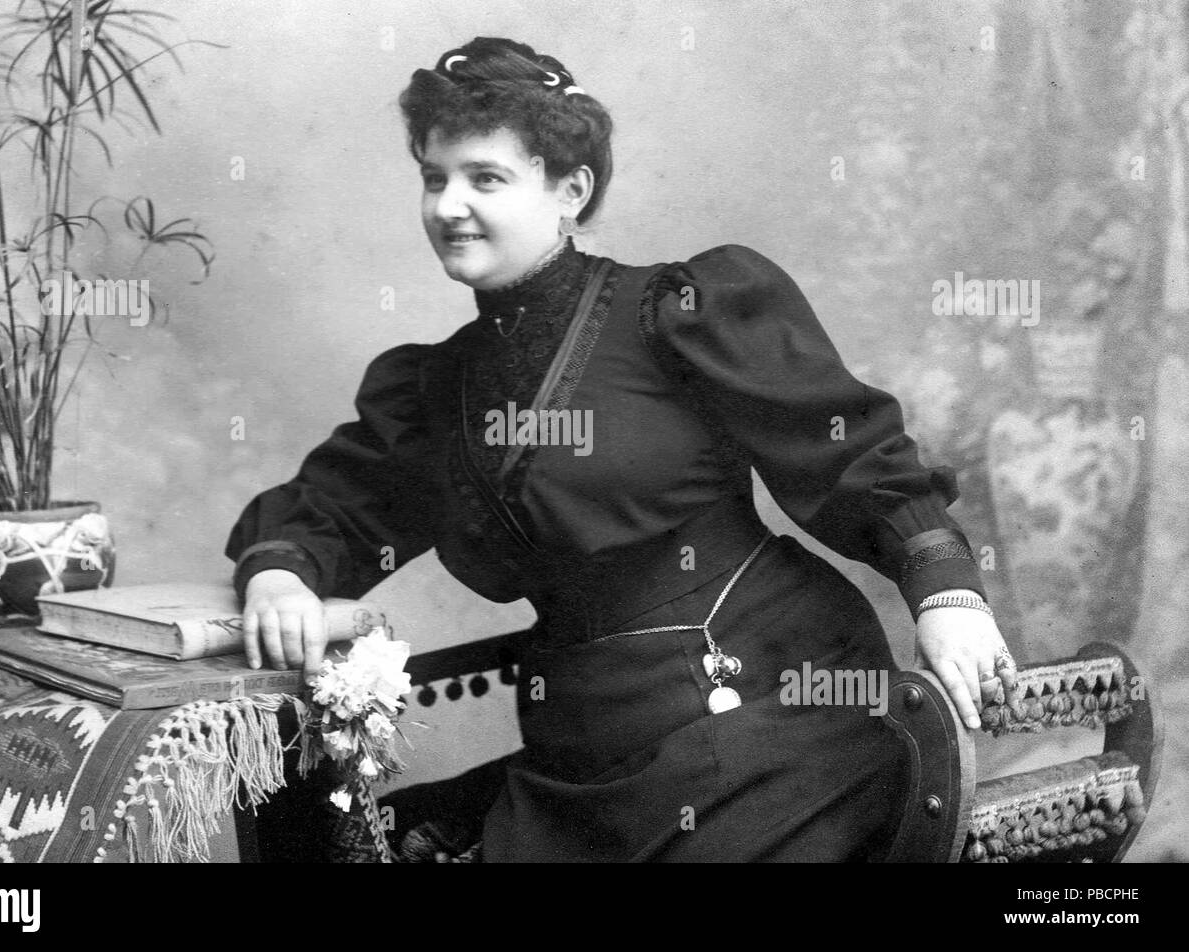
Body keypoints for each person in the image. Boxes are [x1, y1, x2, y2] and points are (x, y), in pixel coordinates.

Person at [225, 36, 1018, 862]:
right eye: (434, 178)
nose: (449, 206)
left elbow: (850, 453)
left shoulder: (675, 313)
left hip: (777, 706)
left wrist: (946, 593)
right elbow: (327, 511)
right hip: (585, 751)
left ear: (571, 190)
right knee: (325, 839)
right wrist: (281, 575)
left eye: (485, 178)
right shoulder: (435, 393)